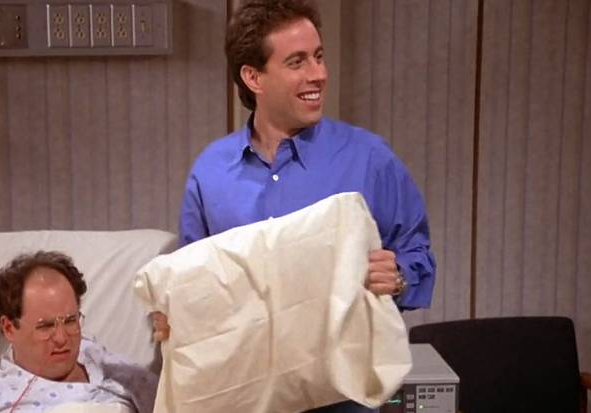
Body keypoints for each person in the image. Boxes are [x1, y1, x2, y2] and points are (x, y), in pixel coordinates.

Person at [151, 0, 437, 411]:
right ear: (253, 77)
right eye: (297, 62)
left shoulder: (369, 159)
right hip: (243, 400)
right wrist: (171, 317)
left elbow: (418, 254)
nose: (318, 74)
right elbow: (194, 286)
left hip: (343, 400)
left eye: (319, 57)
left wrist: (398, 277)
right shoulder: (210, 173)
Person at [0, 251, 157, 413]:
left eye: (70, 321)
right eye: (45, 326)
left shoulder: (107, 365)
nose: (62, 338)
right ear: (9, 328)